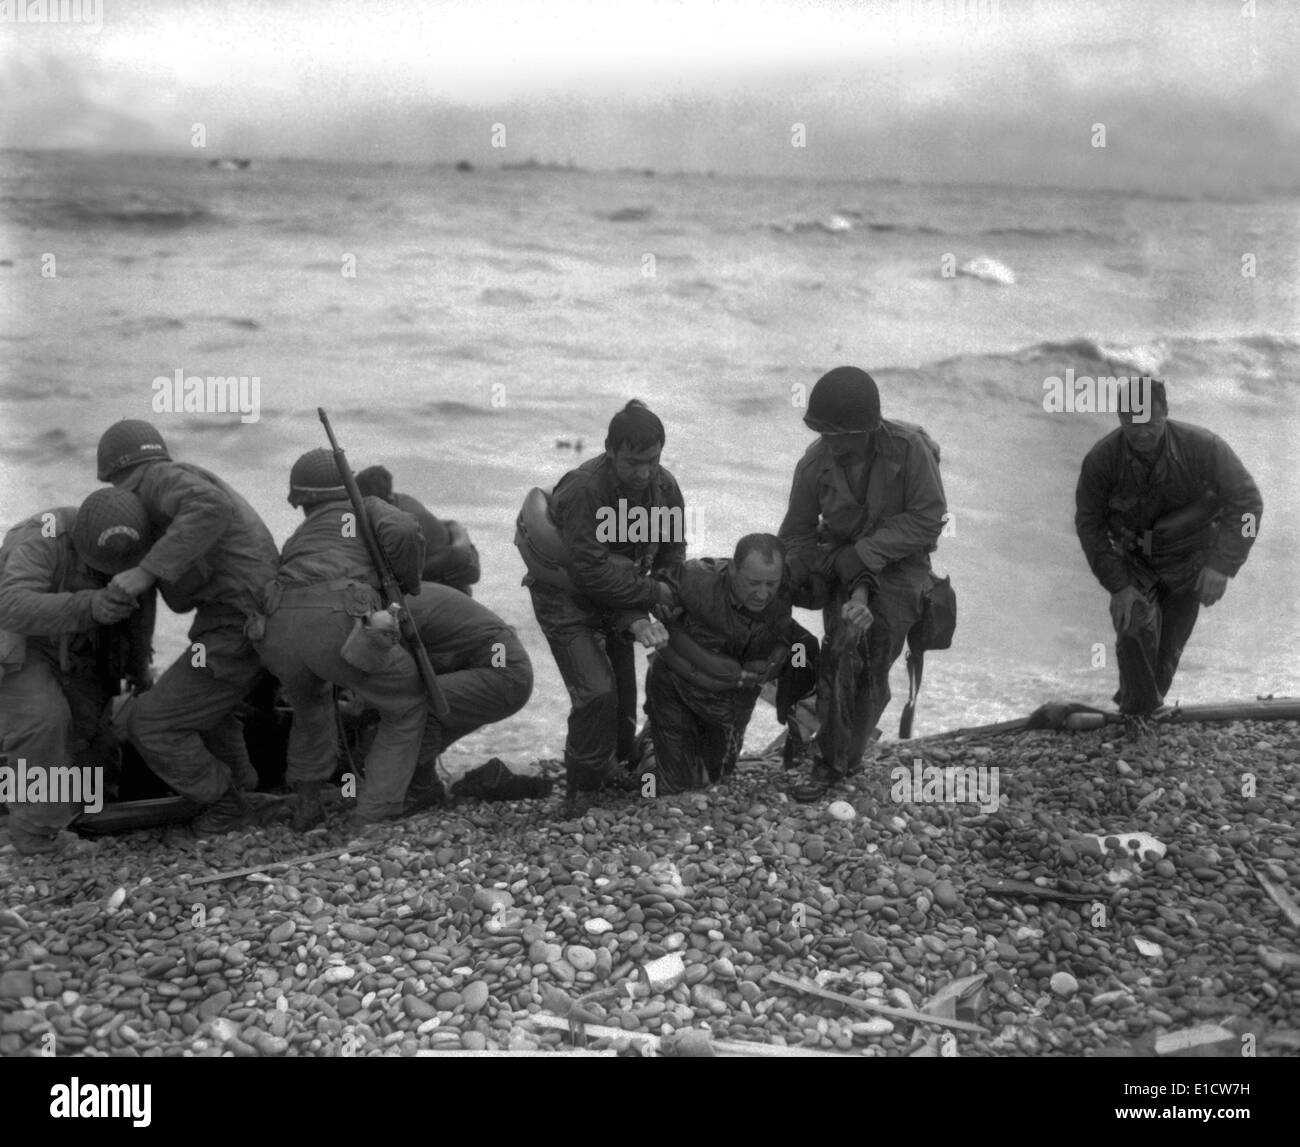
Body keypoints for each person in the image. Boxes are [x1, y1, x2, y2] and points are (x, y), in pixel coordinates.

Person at [96, 420, 287, 835]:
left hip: (238, 622)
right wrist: (139, 662)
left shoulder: (158, 479)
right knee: (210, 711)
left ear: (116, 474)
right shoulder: (168, 486)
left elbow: (208, 507)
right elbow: (148, 597)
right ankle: (241, 792)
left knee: (150, 724)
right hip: (241, 619)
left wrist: (146, 571)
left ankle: (223, 803)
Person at [779, 367, 947, 792]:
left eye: (842, 435)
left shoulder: (908, 451)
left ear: (870, 429)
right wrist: (793, 575)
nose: (832, 443)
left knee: (870, 657)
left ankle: (837, 761)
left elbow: (929, 519)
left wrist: (866, 556)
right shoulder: (815, 462)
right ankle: (820, 735)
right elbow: (796, 534)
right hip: (840, 558)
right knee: (838, 652)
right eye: (824, 433)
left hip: (901, 566)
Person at [518, 399, 684, 804]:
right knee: (596, 693)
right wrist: (646, 601)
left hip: (621, 597)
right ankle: (583, 788)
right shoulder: (584, 489)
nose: (644, 472)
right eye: (633, 462)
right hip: (566, 598)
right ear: (611, 452)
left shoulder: (664, 487)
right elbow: (589, 573)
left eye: (653, 460)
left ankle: (616, 767)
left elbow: (672, 551)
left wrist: (666, 592)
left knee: (624, 702)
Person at [256, 447, 428, 831]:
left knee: (311, 707)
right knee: (406, 702)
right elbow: (404, 530)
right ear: (346, 485)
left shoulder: (300, 535)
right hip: (336, 620)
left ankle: (307, 805)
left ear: (302, 501)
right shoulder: (363, 507)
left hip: (277, 629)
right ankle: (373, 815)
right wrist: (406, 583)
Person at [1075, 379, 1263, 716]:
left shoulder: (1205, 447)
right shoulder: (1101, 461)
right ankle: (1138, 716)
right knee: (1133, 630)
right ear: (1120, 419)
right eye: (1133, 423)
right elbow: (1089, 526)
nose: (1143, 432)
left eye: (1151, 422)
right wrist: (1118, 585)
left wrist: (1222, 566)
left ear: (1166, 414)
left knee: (1166, 657)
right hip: (1136, 561)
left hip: (1192, 559)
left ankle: (1138, 713)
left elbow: (1247, 505)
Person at [0, 489, 155, 856]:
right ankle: (36, 835)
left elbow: (140, 606)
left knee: (94, 735)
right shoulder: (42, 535)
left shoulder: (137, 547)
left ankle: (81, 816)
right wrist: (91, 605)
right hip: (20, 642)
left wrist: (137, 667)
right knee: (44, 720)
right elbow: (11, 605)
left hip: (77, 646)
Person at [343, 580, 545, 812]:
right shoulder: (400, 598)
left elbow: (397, 688)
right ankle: (415, 783)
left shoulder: (396, 614)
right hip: (498, 670)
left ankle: (422, 787)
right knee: (411, 719)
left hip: (503, 672)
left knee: (414, 705)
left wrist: (362, 701)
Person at [638, 534, 797, 795]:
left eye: (771, 583)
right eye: (753, 583)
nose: (762, 593)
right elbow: (647, 591)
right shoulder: (696, 577)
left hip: (730, 700)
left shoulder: (784, 592)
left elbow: (787, 632)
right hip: (676, 686)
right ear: (733, 569)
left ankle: (681, 747)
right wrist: (658, 614)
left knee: (715, 775)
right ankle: (650, 742)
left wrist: (777, 660)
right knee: (672, 785)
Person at [355, 465, 481, 595]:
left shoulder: (400, 522)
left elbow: (399, 572)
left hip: (447, 584)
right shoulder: (398, 501)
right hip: (446, 569)